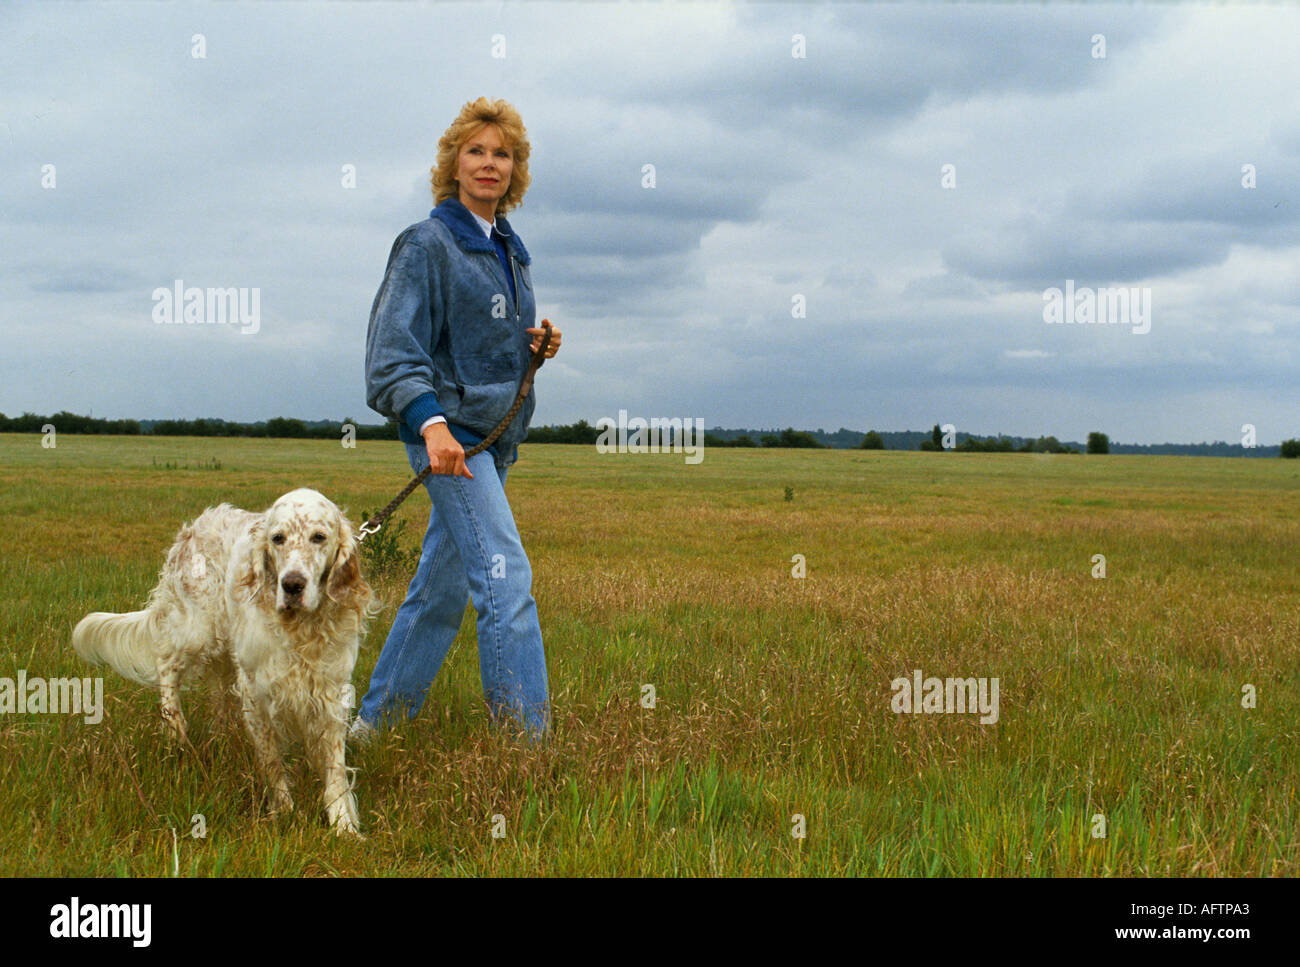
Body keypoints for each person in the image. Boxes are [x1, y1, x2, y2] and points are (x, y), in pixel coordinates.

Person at [355, 96, 561, 741]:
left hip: (496, 443)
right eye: (476, 150)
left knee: (440, 594)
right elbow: (392, 353)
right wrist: (431, 424)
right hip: (452, 442)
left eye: (502, 154)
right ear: (453, 162)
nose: (489, 163)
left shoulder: (510, 250)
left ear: (516, 169)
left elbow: (478, 341)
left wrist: (534, 350)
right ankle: (527, 746)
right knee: (508, 581)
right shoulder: (426, 243)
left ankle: (375, 728)